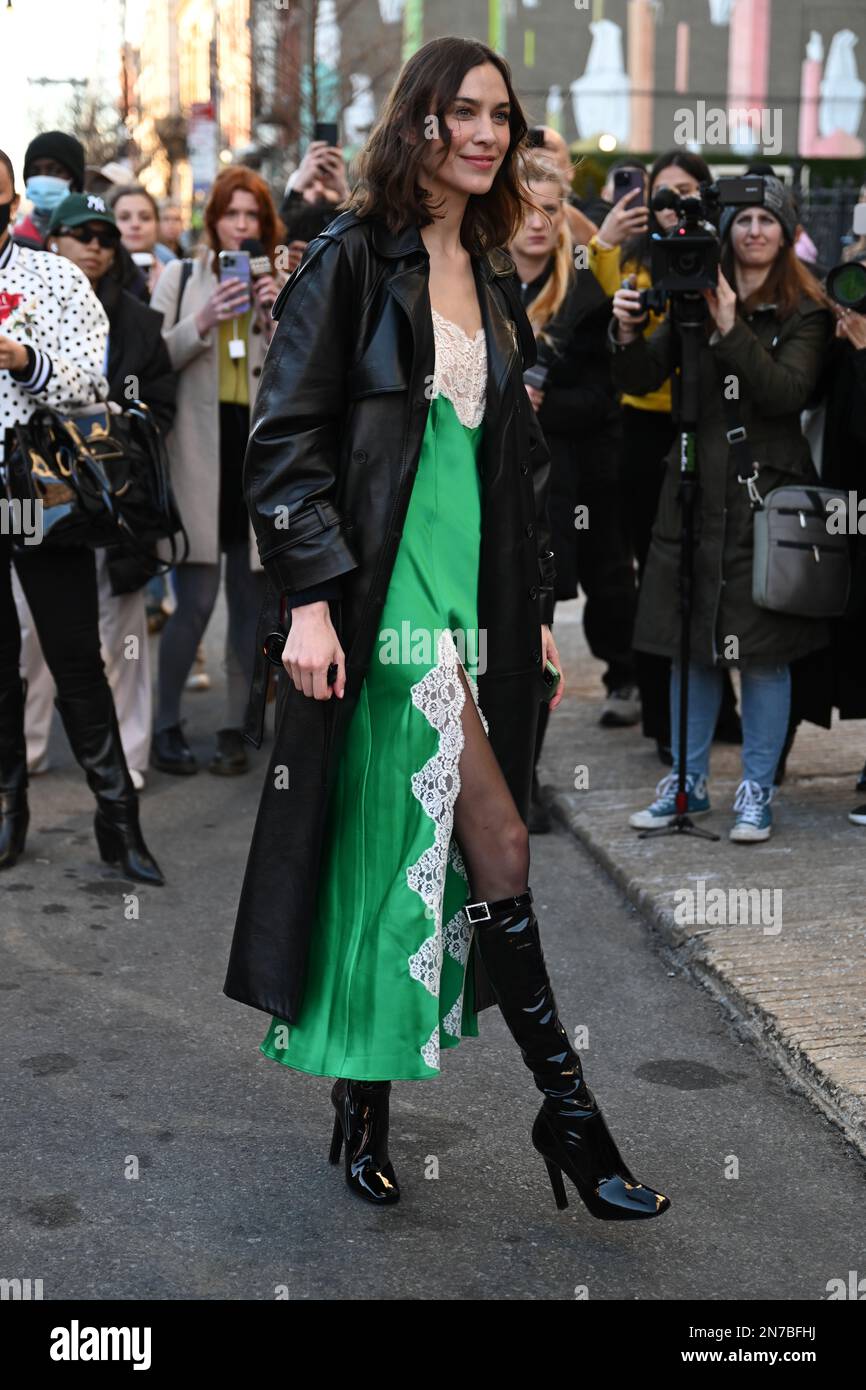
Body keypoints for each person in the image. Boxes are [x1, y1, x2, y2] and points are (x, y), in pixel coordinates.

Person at [223, 36, 670, 1222]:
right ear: (417, 120)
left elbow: (507, 472)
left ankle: (362, 1101)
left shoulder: (490, 271)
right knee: (500, 843)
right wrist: (310, 600)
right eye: (463, 113)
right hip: (383, 613)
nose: (485, 135)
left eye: (501, 120)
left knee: (393, 856)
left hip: (472, 614)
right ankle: (569, 1116)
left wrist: (529, 623)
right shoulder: (348, 262)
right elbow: (284, 446)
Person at [612, 176, 834, 843]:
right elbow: (641, 380)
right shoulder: (690, 290)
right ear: (726, 229)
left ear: (786, 231)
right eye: (743, 219)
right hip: (691, 496)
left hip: (760, 504)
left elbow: (784, 392)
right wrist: (624, 334)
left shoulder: (807, 310)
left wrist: (733, 328)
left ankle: (756, 795)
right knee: (690, 653)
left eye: (768, 219)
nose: (755, 231)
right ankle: (687, 784)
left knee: (762, 657)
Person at [0, 148, 163, 884]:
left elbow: (87, 379)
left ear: (13, 207)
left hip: (35, 487)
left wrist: (18, 356)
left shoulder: (53, 276)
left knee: (72, 653)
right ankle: (10, 809)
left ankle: (116, 817)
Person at [13, 192, 177, 790]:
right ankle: (27, 749)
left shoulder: (138, 320)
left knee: (124, 633)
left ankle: (128, 760)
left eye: (105, 237)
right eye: (81, 234)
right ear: (52, 239)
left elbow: (158, 403)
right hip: (40, 493)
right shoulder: (26, 303)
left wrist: (115, 423)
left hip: (116, 494)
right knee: (32, 629)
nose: (96, 247)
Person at [589, 148, 741, 763]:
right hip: (644, 429)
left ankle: (720, 706)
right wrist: (604, 244)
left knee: (713, 571)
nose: (672, 208)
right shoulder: (633, 255)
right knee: (652, 575)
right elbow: (599, 308)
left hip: (708, 426)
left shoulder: (719, 261)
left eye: (685, 196)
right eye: (662, 196)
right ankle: (662, 716)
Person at [508, 156, 635, 833]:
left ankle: (524, 779)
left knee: (537, 645)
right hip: (482, 495)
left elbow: (605, 399)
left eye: (551, 209)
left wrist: (543, 403)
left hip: (557, 496)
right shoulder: (475, 285)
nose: (537, 222)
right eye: (525, 207)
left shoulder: (583, 294)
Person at [148, 165, 284, 777]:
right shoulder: (180, 278)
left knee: (251, 607)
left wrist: (275, 314)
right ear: (214, 221)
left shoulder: (278, 283)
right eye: (231, 214)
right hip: (199, 460)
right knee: (196, 602)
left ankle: (237, 725)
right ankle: (163, 725)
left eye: (251, 216)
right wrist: (203, 323)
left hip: (257, 461)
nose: (240, 226)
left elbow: (308, 370)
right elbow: (152, 360)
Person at [278, 138, 351, 275]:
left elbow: (362, 236)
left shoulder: (343, 225)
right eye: (309, 184)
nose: (319, 189)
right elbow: (276, 235)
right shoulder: (284, 235)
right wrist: (298, 186)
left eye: (327, 184)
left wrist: (343, 190)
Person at [12, 131, 86, 249]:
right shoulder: (13, 241)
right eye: (35, 171)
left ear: (75, 180)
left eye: (55, 170)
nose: (43, 178)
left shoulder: (97, 240)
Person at [108, 184, 170, 298]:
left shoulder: (174, 277)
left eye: (145, 217)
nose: (135, 225)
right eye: (124, 217)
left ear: (157, 224)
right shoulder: (95, 279)